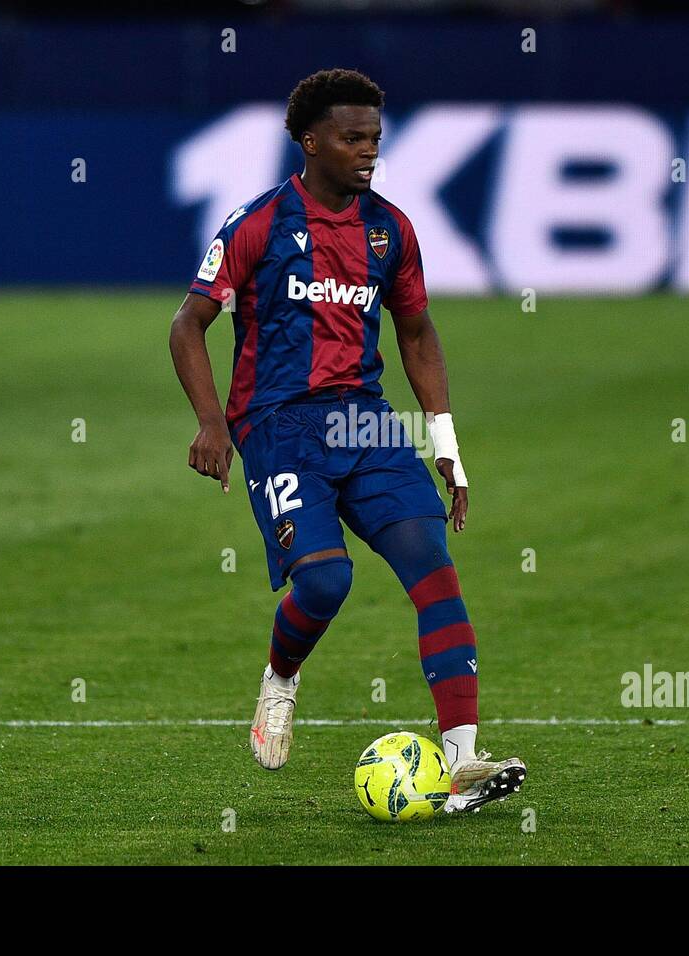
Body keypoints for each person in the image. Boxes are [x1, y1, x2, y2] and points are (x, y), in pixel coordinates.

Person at [169, 68, 525, 812]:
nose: (368, 151)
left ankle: (461, 765)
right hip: (279, 426)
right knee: (327, 583)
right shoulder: (258, 224)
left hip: (365, 420)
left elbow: (418, 335)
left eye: (375, 139)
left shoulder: (390, 229)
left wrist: (445, 443)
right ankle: (281, 677)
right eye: (352, 138)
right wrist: (211, 422)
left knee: (433, 564)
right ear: (310, 142)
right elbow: (188, 325)